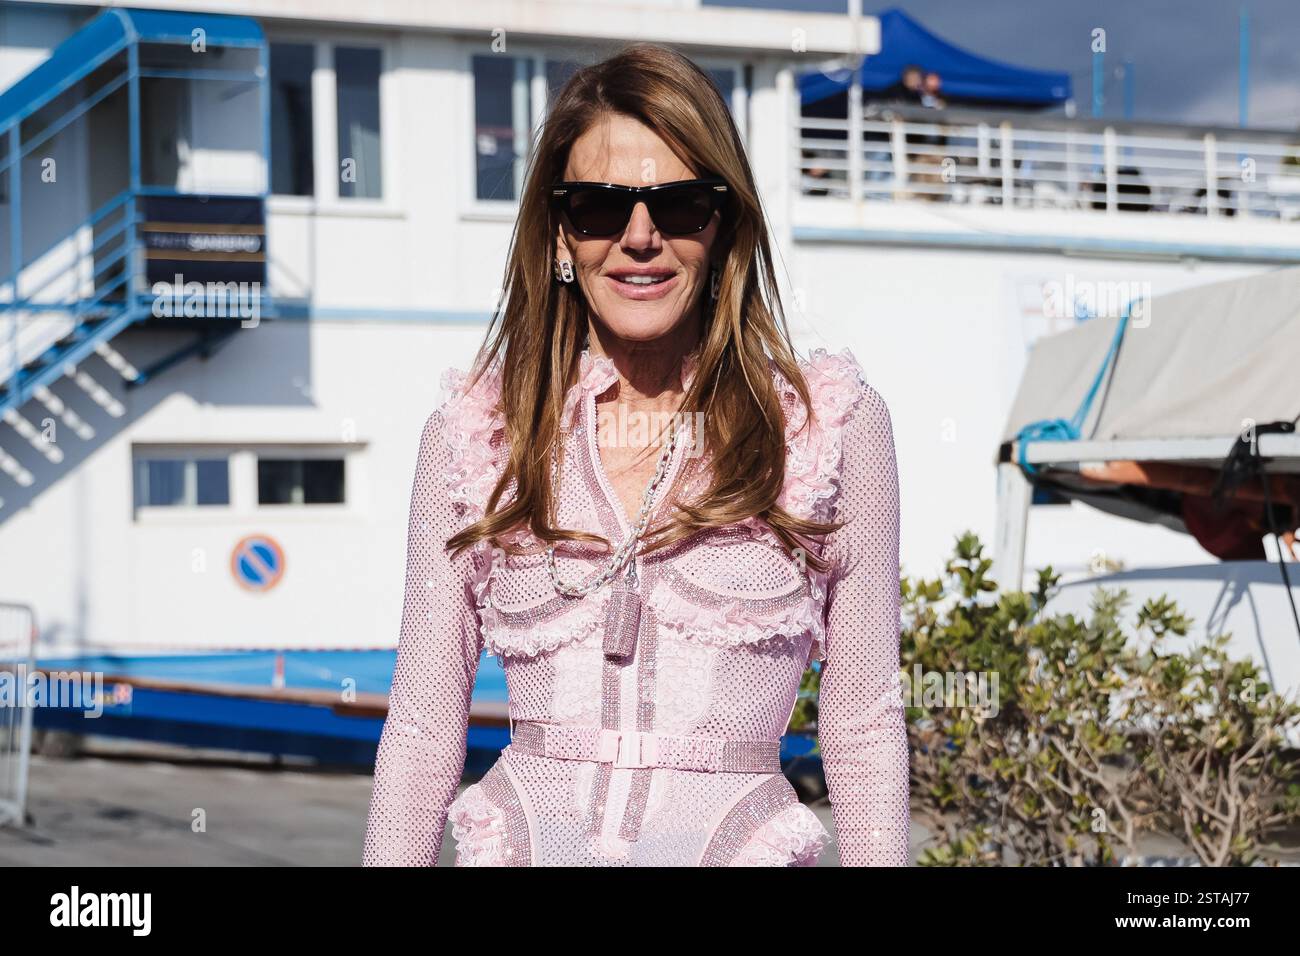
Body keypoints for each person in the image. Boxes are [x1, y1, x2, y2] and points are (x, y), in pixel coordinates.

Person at [362, 42, 908, 867]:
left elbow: (864, 719)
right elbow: (423, 723)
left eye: (680, 204)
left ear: (722, 227)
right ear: (558, 234)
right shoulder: (476, 434)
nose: (640, 237)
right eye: (598, 206)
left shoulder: (828, 428)